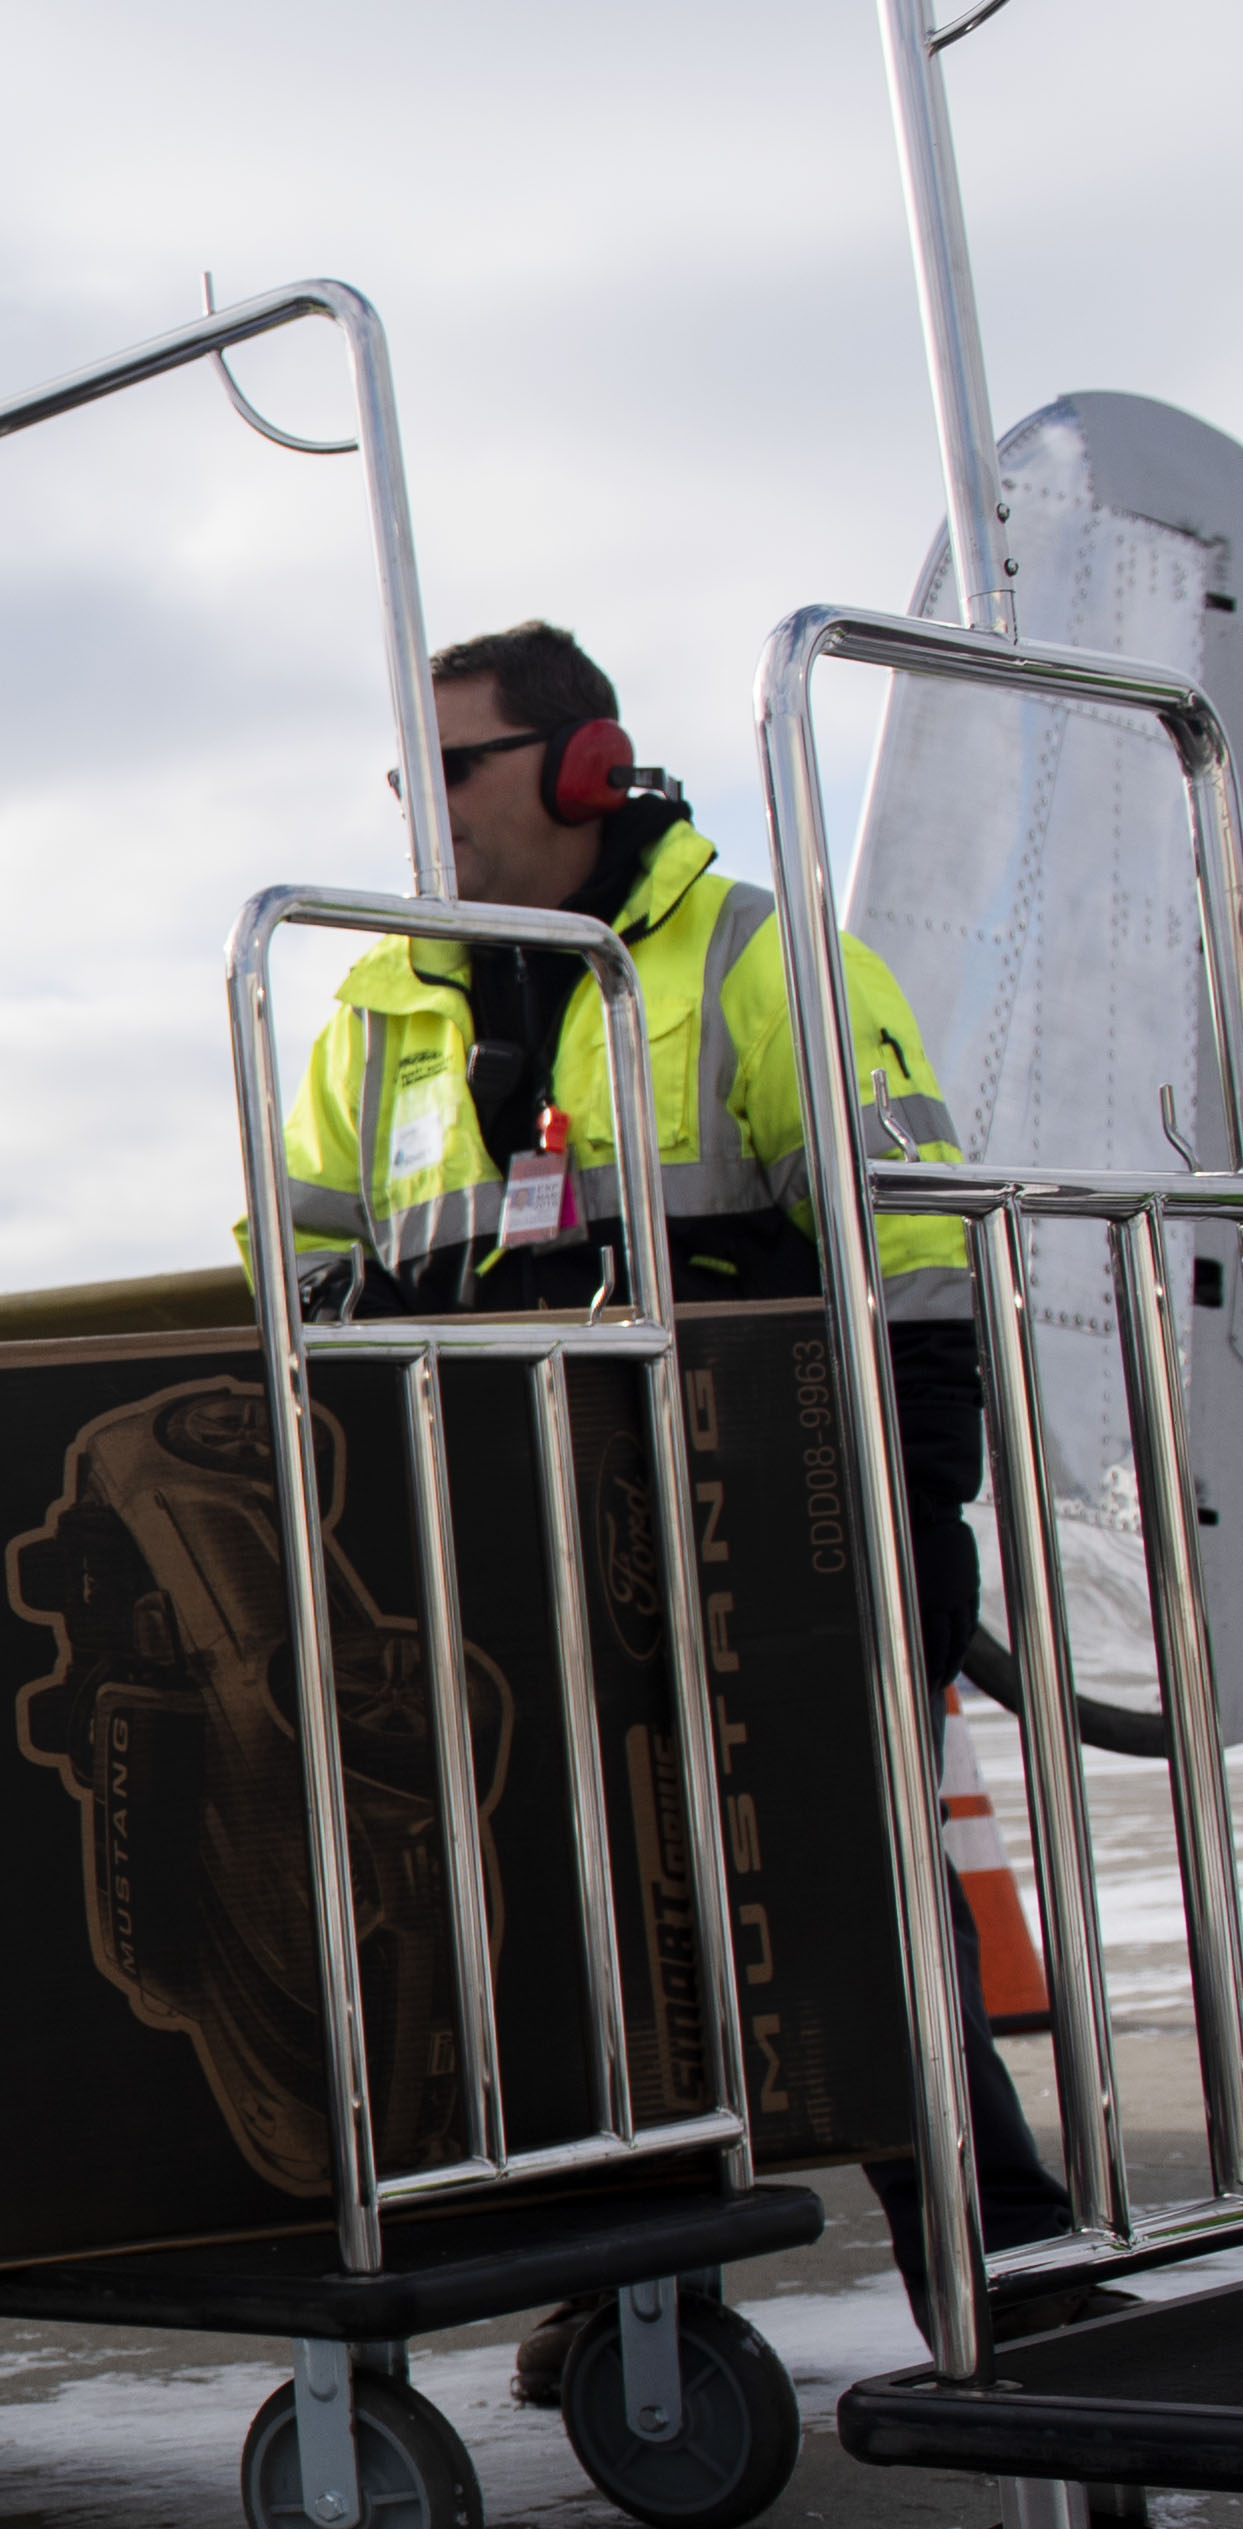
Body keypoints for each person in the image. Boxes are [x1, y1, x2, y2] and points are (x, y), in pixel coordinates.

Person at [262, 617, 1072, 2367]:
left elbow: (916, 1269)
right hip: (496, 1561)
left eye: (452, 771)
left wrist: (897, 1537)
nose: (424, 812)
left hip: (753, 1538)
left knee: (840, 1894)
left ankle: (1009, 2285)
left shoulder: (757, 962)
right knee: (584, 1911)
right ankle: (641, 2288)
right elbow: (291, 1273)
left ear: (571, 769)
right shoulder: (371, 1005)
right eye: (408, 778)